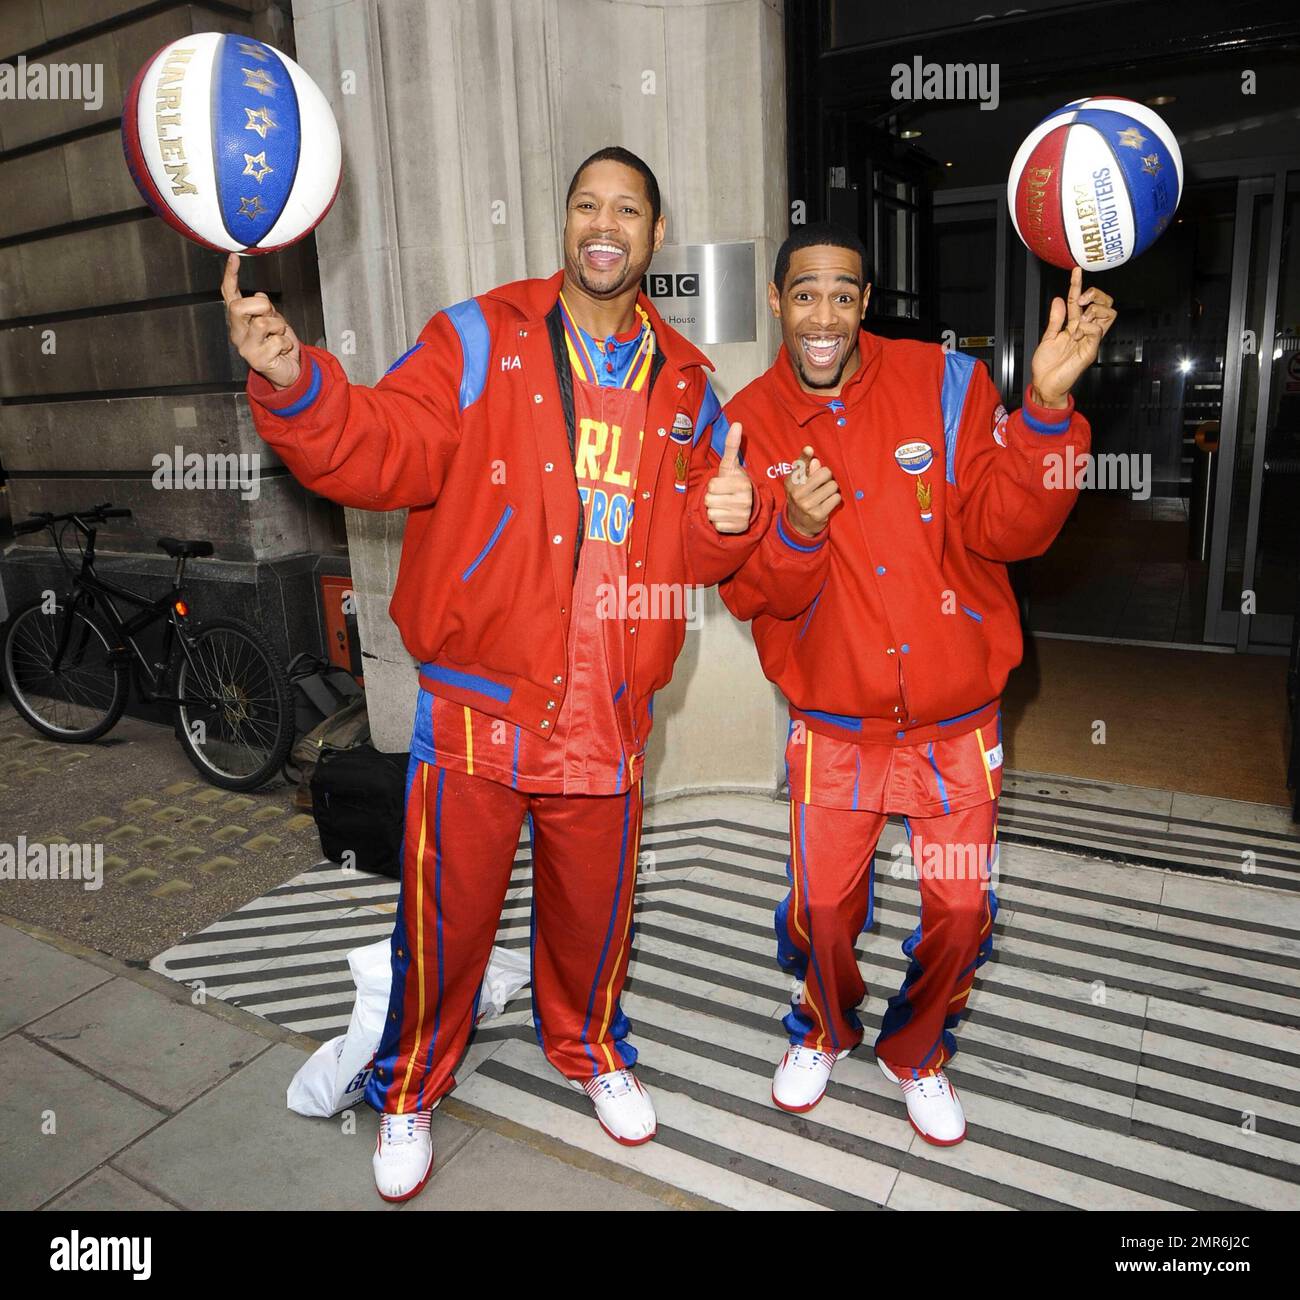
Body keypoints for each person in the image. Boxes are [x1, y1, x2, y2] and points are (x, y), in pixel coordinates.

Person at [223, 146, 768, 1200]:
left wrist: (726, 519)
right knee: (445, 917)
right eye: (584, 206)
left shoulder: (690, 385)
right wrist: (295, 380)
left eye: (626, 211)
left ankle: (591, 1048)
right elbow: (382, 446)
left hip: (605, 708)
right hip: (478, 705)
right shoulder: (480, 338)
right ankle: (412, 1087)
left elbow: (693, 551)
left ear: (653, 237)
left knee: (592, 917)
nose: (602, 225)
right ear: (563, 223)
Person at [718, 221, 1116, 1144]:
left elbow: (1007, 527)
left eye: (844, 295)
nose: (825, 316)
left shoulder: (948, 383)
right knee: (821, 908)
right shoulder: (746, 423)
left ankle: (918, 1051)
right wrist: (797, 535)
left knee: (962, 906)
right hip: (835, 724)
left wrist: (1047, 413)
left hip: (954, 720)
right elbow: (747, 591)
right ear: (776, 301)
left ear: (866, 304)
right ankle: (822, 1028)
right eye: (805, 294)